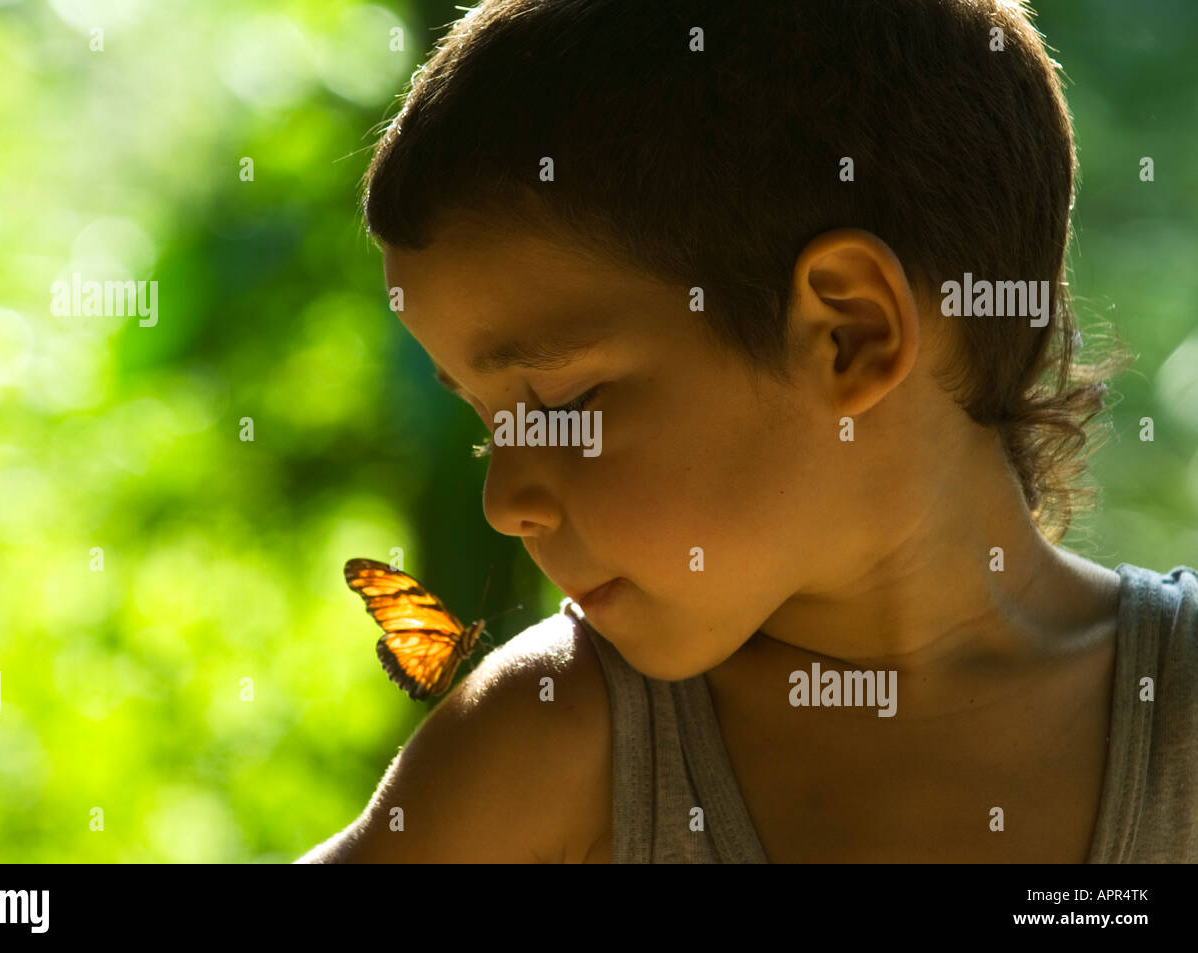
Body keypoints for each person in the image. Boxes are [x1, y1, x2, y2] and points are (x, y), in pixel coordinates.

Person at [298, 0, 1197, 863]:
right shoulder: (553, 745)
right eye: (487, 424)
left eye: (565, 405)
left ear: (851, 335)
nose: (504, 504)